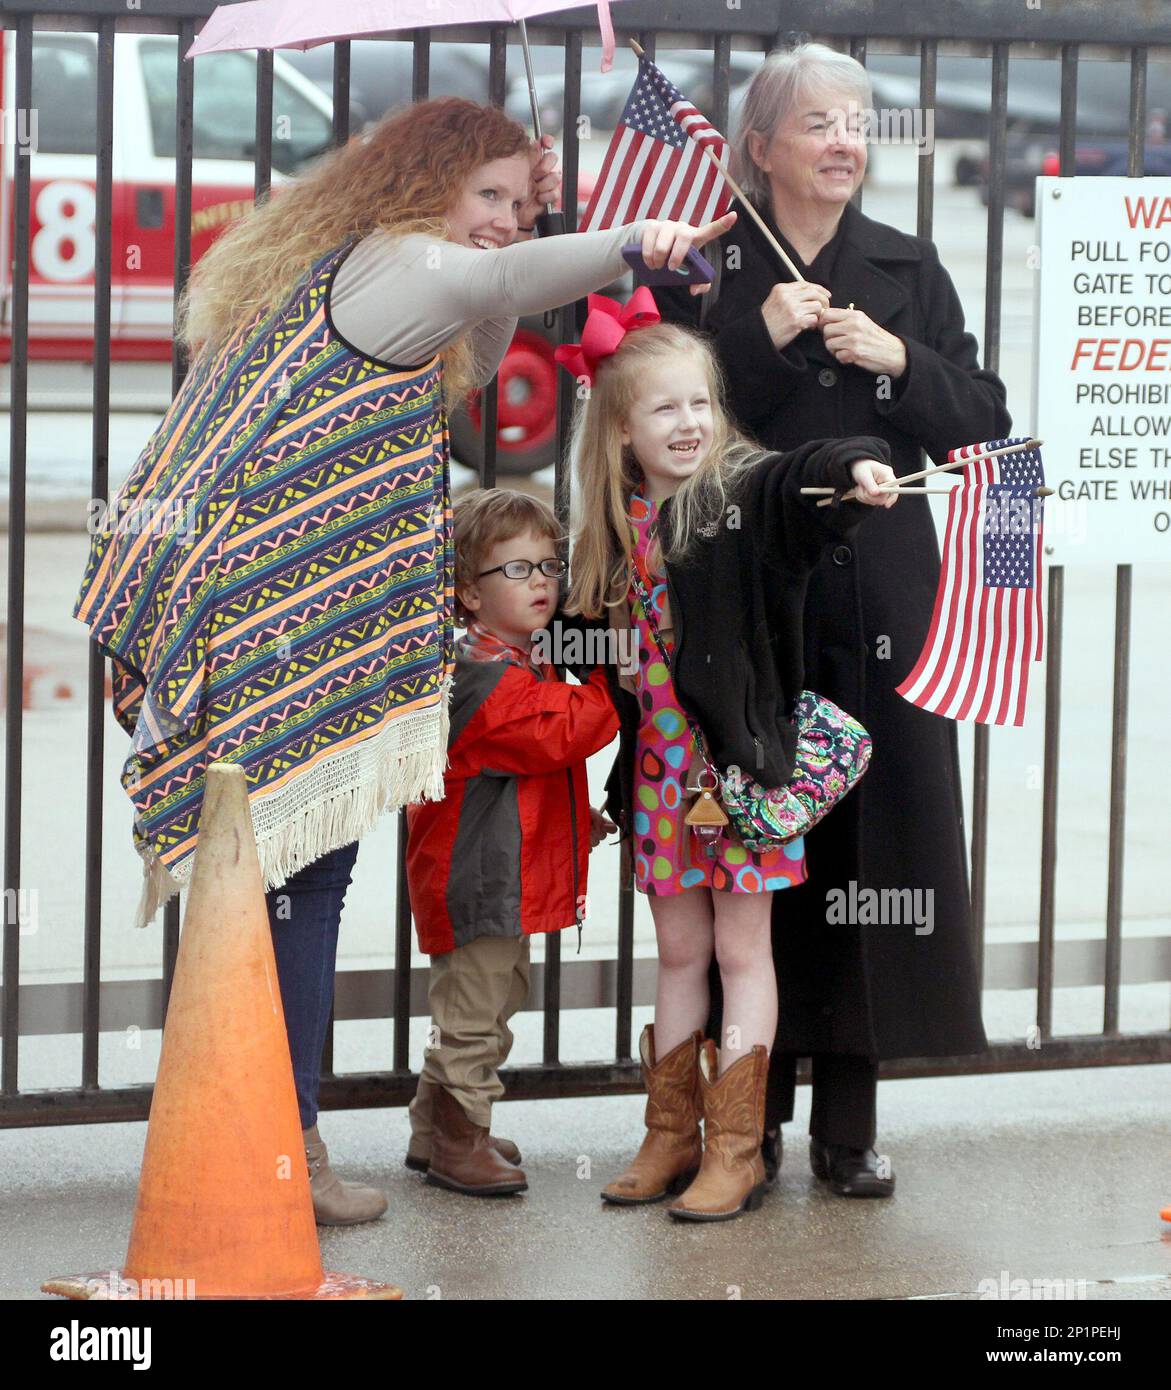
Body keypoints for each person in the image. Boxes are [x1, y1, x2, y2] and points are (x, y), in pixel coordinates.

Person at [72, 94, 735, 1224]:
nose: (501, 221)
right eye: (485, 195)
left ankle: (258, 1132)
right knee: (297, 885)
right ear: (423, 183)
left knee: (273, 883)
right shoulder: (401, 265)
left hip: (244, 615)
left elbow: (483, 316)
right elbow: (486, 289)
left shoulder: (347, 260)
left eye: (516, 202)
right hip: (258, 628)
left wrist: (542, 221)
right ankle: (282, 1146)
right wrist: (631, 240)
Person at [653, 43, 1012, 1198]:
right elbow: (670, 416)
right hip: (748, 593)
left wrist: (897, 359)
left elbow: (981, 422)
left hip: (879, 599)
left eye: (856, 122)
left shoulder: (904, 264)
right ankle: (738, 1130)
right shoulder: (709, 266)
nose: (844, 141)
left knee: (866, 843)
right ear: (760, 146)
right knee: (748, 852)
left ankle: (844, 1127)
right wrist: (752, 335)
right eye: (817, 122)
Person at [558, 291, 898, 1222]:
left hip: (744, 781)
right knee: (678, 953)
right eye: (664, 408)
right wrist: (605, 660)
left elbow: (803, 479)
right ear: (622, 429)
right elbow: (570, 643)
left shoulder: (742, 499)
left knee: (743, 952)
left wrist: (856, 465)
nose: (688, 423)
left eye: (700, 404)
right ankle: (668, 1134)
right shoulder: (612, 528)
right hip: (664, 789)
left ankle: (736, 1149)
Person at [403, 489, 618, 1196]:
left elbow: (529, 768)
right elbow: (554, 732)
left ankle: (436, 1128)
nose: (542, 584)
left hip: (496, 870)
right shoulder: (479, 674)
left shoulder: (517, 660)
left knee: (485, 1000)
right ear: (467, 592)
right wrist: (617, 683)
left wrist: (578, 817)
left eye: (550, 567)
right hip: (479, 876)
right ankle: (459, 1141)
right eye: (518, 571)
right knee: (474, 1012)